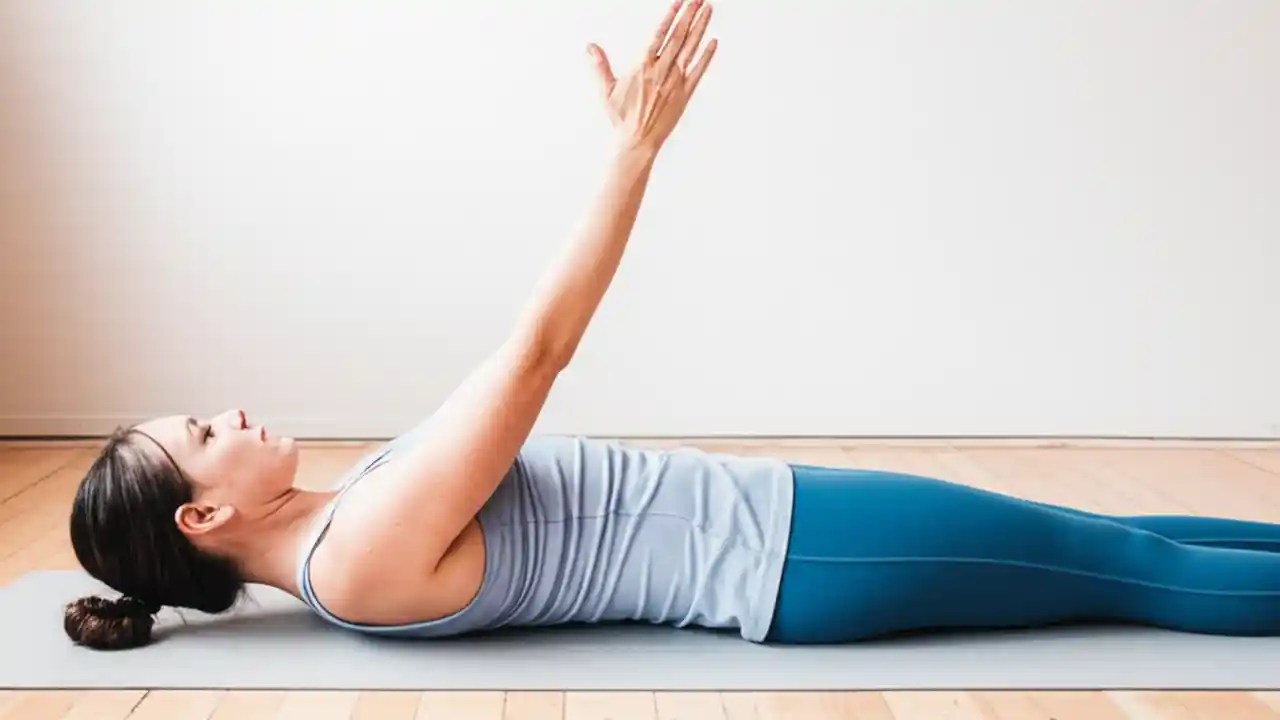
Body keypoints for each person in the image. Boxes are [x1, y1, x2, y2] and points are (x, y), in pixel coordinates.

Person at [65, 0, 1280, 652]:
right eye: (201, 433)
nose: (227, 412)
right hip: (790, 557)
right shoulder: (356, 560)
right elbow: (537, 355)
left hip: (783, 521)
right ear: (201, 516)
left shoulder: (347, 521)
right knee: (1132, 573)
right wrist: (632, 153)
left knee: (1109, 538)